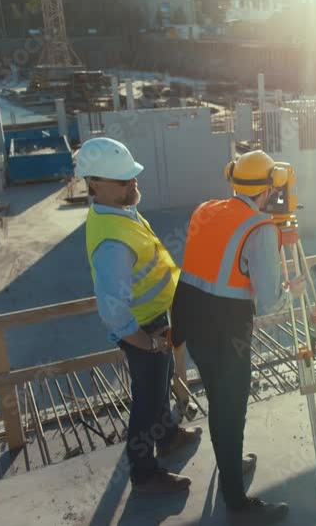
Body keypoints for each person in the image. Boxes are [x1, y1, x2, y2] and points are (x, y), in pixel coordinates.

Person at [171, 150, 301, 522]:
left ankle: (230, 463)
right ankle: (236, 501)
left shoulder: (206, 209)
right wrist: (295, 288)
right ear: (271, 185)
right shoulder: (260, 229)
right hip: (228, 331)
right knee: (232, 409)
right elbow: (269, 303)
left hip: (193, 322)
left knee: (219, 399)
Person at [76, 137, 202, 494]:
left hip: (155, 318)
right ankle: (144, 474)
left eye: (132, 176)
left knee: (160, 388)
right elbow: (112, 310)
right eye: (123, 180)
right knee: (146, 402)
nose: (132, 183)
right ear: (95, 183)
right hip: (141, 328)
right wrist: (145, 341)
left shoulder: (120, 210)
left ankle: (170, 437)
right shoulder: (112, 241)